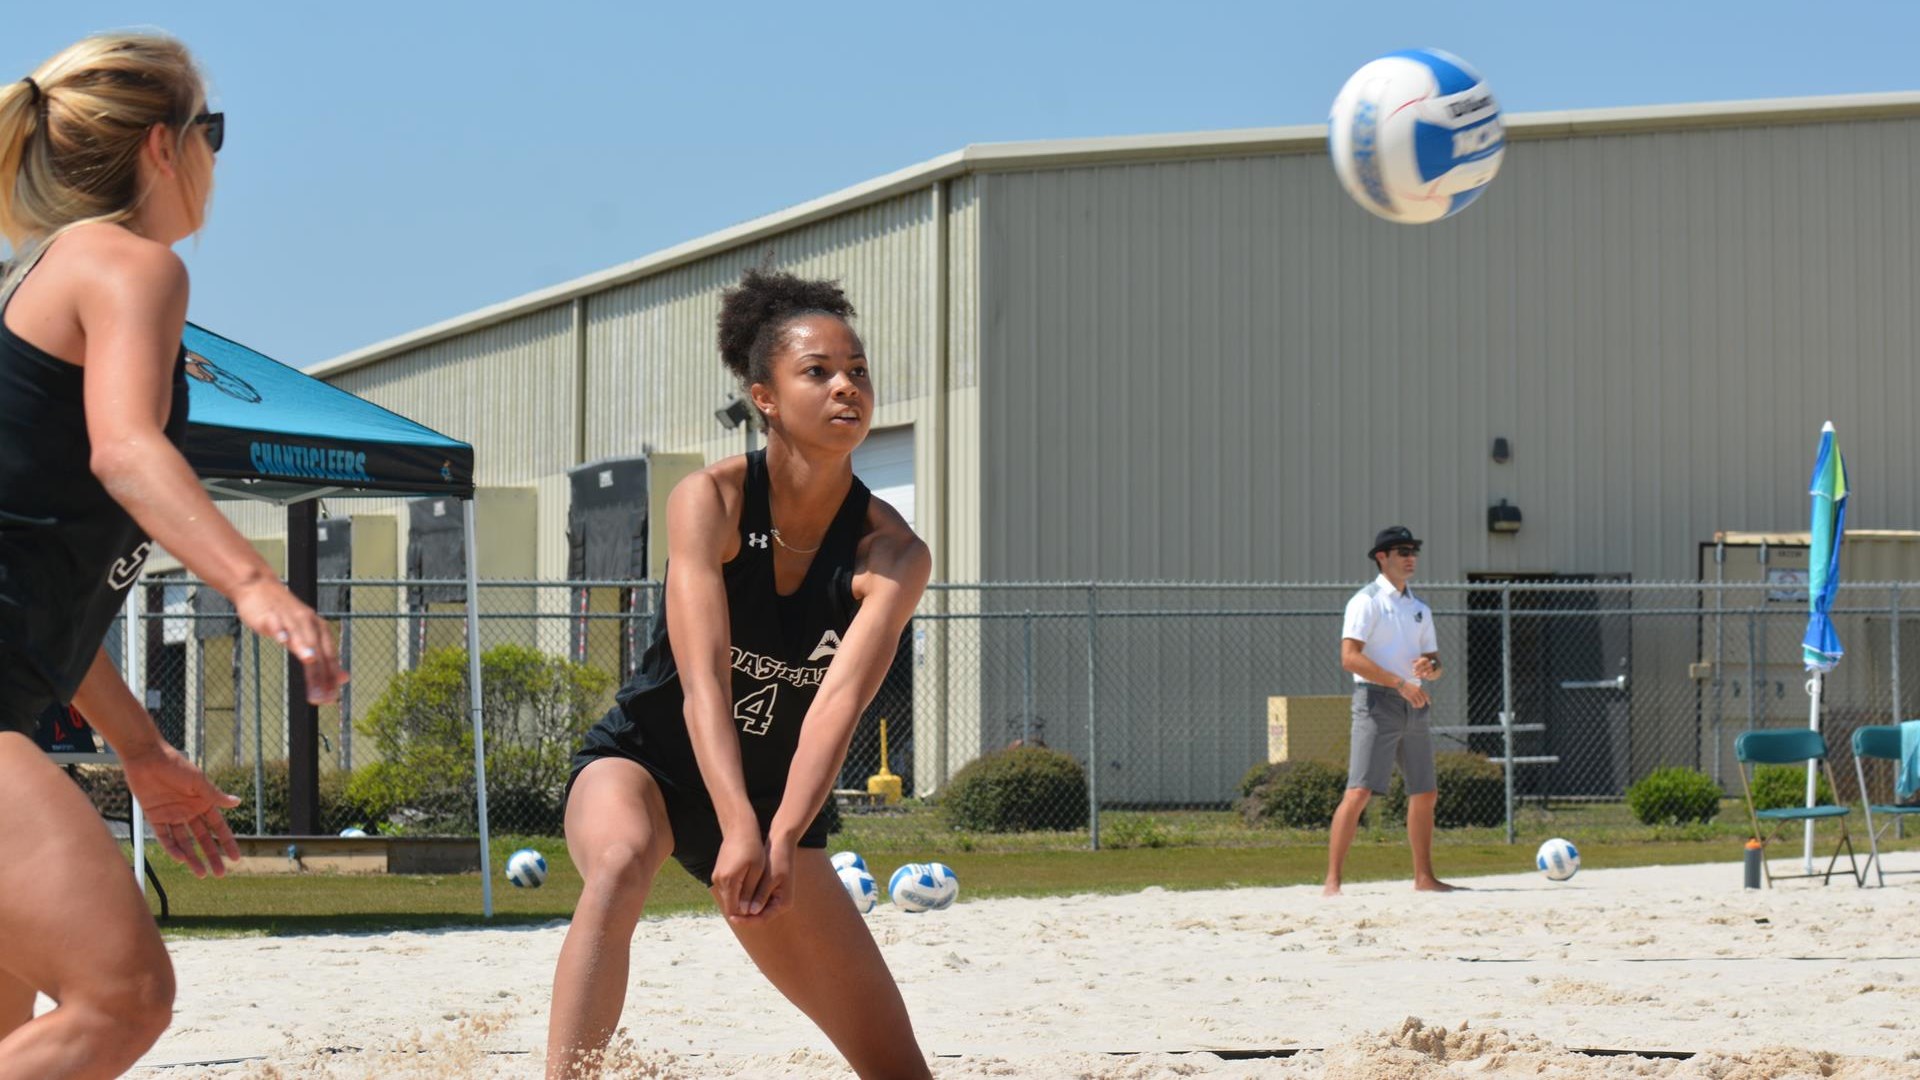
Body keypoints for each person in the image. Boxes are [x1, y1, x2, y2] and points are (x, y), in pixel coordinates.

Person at [0, 33, 347, 1077]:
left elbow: (41, 598)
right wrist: (252, 581)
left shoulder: (46, 275)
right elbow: (126, 448)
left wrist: (143, 751)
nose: (216, 158)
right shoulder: (130, 263)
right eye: (217, 132)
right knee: (122, 999)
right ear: (164, 144)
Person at [547, 266, 933, 1079]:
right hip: (648, 760)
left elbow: (838, 705)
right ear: (764, 395)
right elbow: (703, 684)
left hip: (773, 799)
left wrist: (781, 833)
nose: (846, 388)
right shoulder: (710, 500)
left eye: (857, 371)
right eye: (817, 372)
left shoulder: (892, 553)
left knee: (899, 1071)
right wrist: (733, 823)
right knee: (620, 860)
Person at [1323, 525, 1456, 896]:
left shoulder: (1419, 608)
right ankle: (1332, 882)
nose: (1410, 556)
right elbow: (1349, 658)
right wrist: (1398, 683)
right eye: (1401, 551)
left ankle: (1424, 878)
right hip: (1376, 703)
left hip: (1415, 702)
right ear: (1381, 557)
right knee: (1359, 791)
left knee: (1425, 792)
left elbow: (1435, 662)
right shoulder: (1366, 601)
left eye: (1413, 550)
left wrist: (1432, 670)